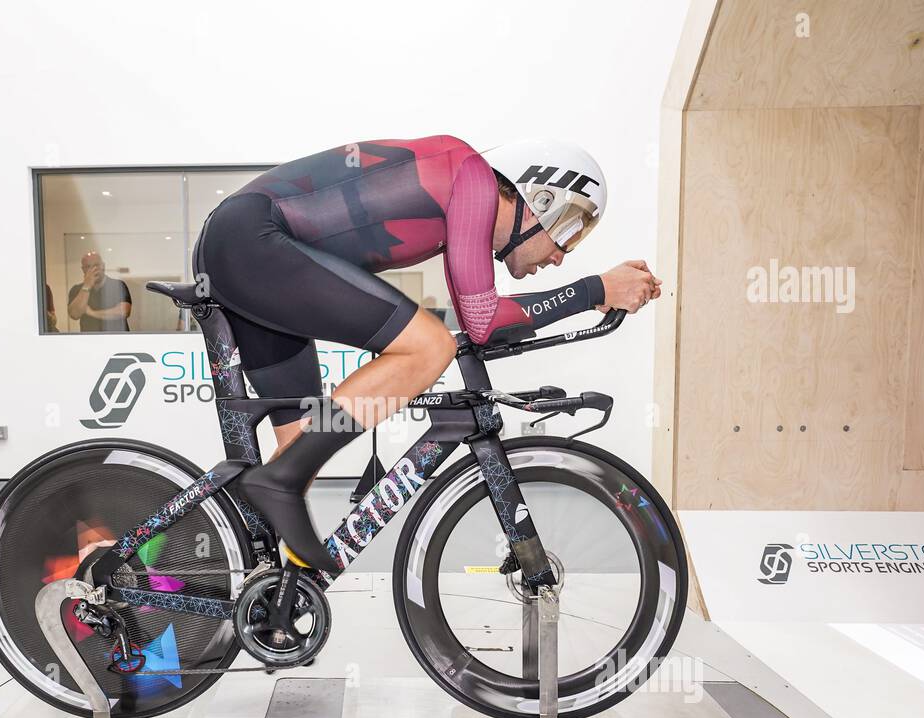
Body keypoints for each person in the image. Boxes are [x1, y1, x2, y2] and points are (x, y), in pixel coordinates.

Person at [194, 136, 659, 571]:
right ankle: (279, 483)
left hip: (244, 244)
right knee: (427, 346)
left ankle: (245, 595)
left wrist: (591, 294)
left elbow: (482, 328)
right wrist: (593, 288)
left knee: (297, 451)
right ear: (539, 200)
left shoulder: (459, 202)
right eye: (568, 232)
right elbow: (482, 323)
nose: (561, 255)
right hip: (252, 239)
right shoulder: (472, 177)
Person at [67, 251, 132, 332]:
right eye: (88, 266)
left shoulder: (118, 285)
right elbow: (74, 314)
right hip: (90, 340)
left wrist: (92, 313)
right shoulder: (77, 289)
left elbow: (124, 312)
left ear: (103, 266)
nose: (93, 269)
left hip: (117, 339)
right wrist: (86, 286)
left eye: (96, 265)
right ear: (83, 269)